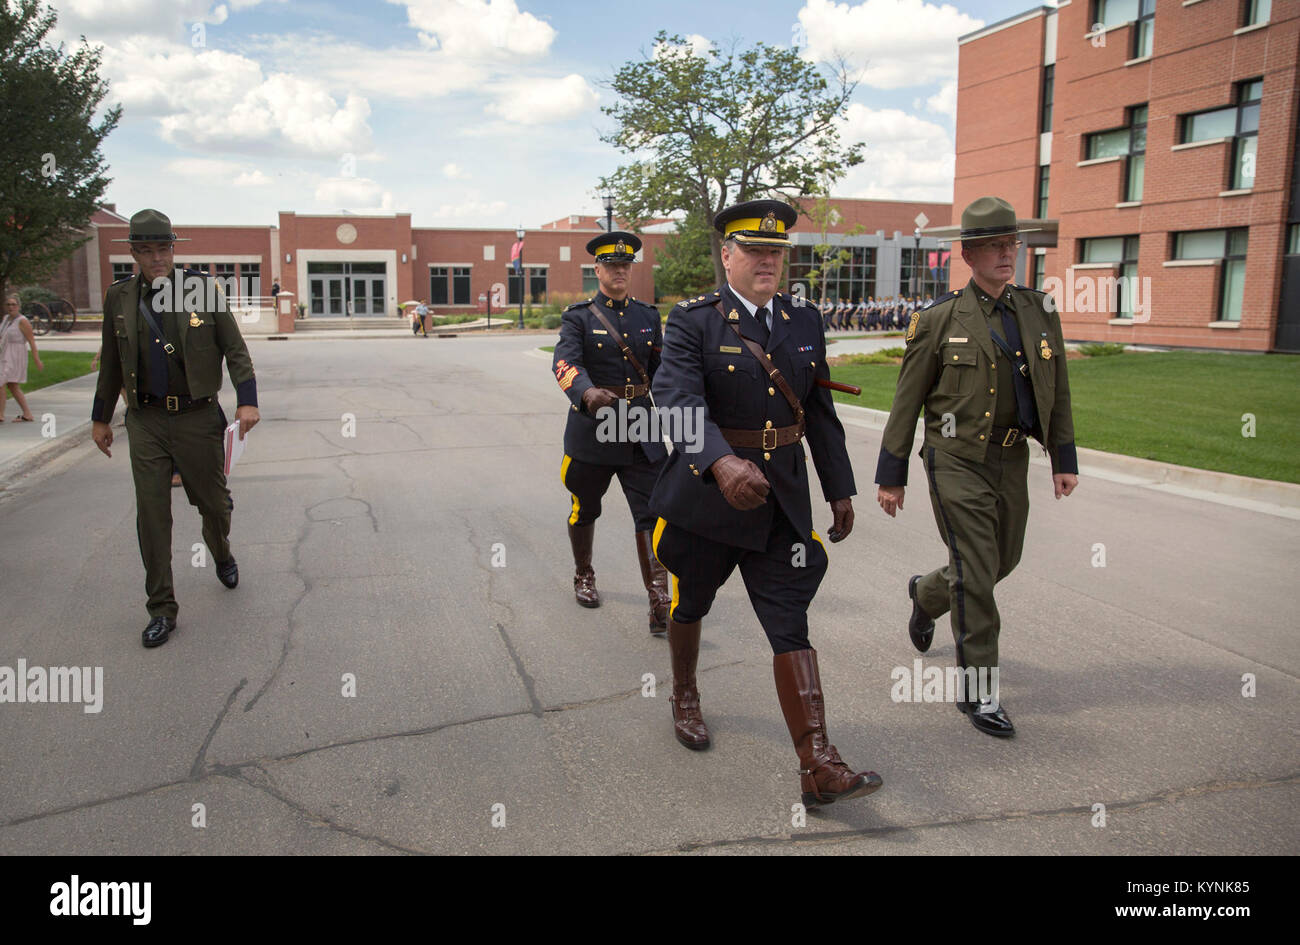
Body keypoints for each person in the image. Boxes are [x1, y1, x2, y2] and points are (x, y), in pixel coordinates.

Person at [650, 199, 881, 807]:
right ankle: (684, 693)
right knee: (692, 601)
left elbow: (819, 412)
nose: (767, 262)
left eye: (776, 252)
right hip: (709, 500)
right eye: (754, 251)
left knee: (788, 621)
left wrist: (838, 487)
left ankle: (818, 763)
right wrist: (721, 461)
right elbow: (676, 399)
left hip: (781, 502)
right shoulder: (693, 321)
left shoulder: (803, 321)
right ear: (726, 255)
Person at [874, 196, 1078, 737]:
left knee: (998, 562)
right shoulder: (939, 320)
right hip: (955, 459)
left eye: (1011, 244)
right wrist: (891, 473)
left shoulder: (1039, 311)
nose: (1006, 254)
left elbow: (1058, 390)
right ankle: (978, 691)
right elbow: (906, 400)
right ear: (968, 254)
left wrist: (1063, 457)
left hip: (1011, 458)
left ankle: (925, 594)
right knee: (979, 578)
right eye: (993, 246)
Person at [91, 209, 260, 649]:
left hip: (197, 417)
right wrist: (100, 417)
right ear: (133, 253)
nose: (156, 258)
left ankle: (220, 550)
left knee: (215, 505)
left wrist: (247, 401)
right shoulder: (119, 297)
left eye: (162, 248)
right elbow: (111, 362)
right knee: (151, 515)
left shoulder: (201, 289)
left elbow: (234, 349)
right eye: (145, 250)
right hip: (145, 419)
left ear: (173, 249)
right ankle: (162, 609)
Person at [551, 232, 671, 632]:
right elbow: (565, 364)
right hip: (595, 426)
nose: (619, 271)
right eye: (611, 265)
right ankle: (584, 572)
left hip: (639, 425)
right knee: (585, 507)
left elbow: (661, 371)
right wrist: (586, 393)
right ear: (597, 270)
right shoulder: (579, 316)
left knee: (653, 512)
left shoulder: (647, 316)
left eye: (626, 265)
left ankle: (659, 598)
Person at [0, 293, 44, 421]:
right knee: (12, 385)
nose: (10, 307)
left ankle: (0, 414)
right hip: (5, 353)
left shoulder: (22, 321)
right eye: (8, 304)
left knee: (1, 382)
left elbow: (31, 341)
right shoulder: (6, 319)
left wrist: (37, 359)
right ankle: (27, 414)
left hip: (16, 355)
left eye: (13, 304)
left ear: (18, 306)